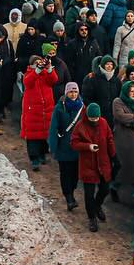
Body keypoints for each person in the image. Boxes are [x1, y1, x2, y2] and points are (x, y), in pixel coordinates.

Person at [70, 99, 114, 232]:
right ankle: (92, 218)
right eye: (91, 118)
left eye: (96, 118)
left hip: (102, 161)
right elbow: (73, 143)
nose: (94, 120)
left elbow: (109, 138)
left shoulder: (103, 123)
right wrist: (88, 146)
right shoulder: (80, 126)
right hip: (88, 164)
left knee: (105, 189)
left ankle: (97, 206)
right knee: (89, 194)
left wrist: (113, 154)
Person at [48, 82, 85, 212]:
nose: (73, 94)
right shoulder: (59, 108)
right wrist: (53, 146)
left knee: (75, 174)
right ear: (66, 93)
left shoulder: (82, 107)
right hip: (63, 146)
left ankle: (71, 191)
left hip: (77, 147)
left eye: (75, 92)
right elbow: (53, 128)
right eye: (71, 92)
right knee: (65, 173)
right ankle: (69, 197)